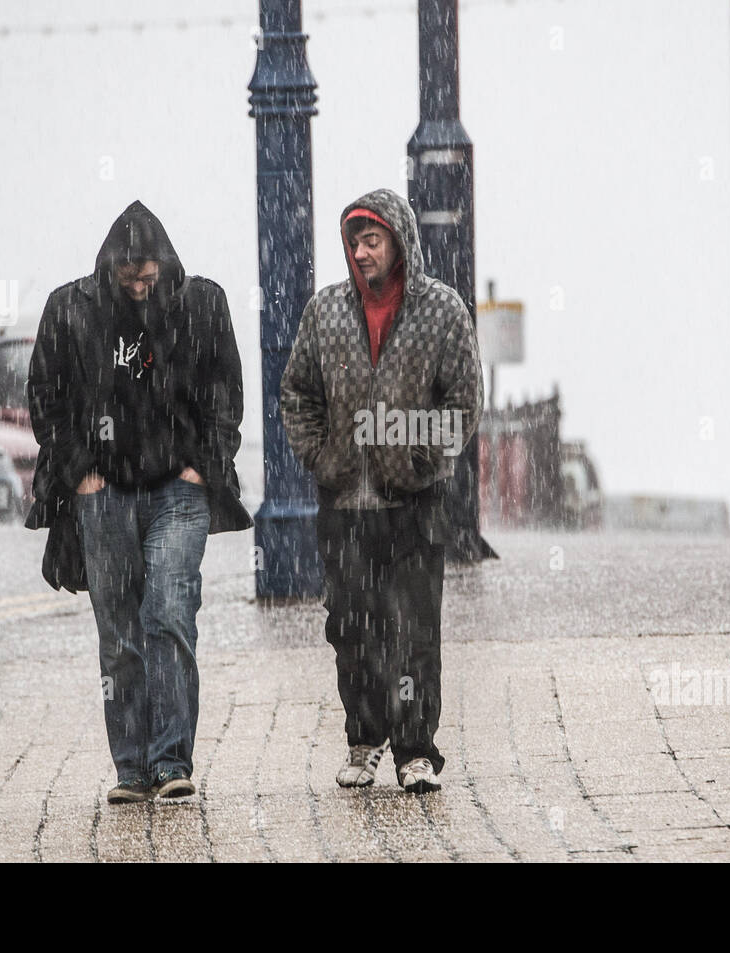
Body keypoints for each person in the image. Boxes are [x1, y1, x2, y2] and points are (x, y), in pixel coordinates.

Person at [24, 200, 252, 804]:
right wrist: (78, 473)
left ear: (165, 260)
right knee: (119, 634)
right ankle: (130, 769)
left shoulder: (202, 303)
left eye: (147, 271)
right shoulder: (69, 308)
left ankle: (171, 761)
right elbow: (45, 399)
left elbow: (226, 392)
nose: (139, 282)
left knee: (169, 616)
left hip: (179, 492)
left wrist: (203, 466)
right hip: (102, 496)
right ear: (110, 267)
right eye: (128, 273)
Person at [280, 188, 482, 793]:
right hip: (344, 503)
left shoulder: (443, 311)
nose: (362, 252)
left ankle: (416, 749)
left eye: (372, 240)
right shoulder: (325, 312)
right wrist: (323, 457)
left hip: (416, 501)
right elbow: (297, 394)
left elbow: (464, 400)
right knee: (352, 627)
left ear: (399, 241)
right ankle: (364, 740)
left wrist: (421, 457)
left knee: (415, 628)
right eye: (353, 242)